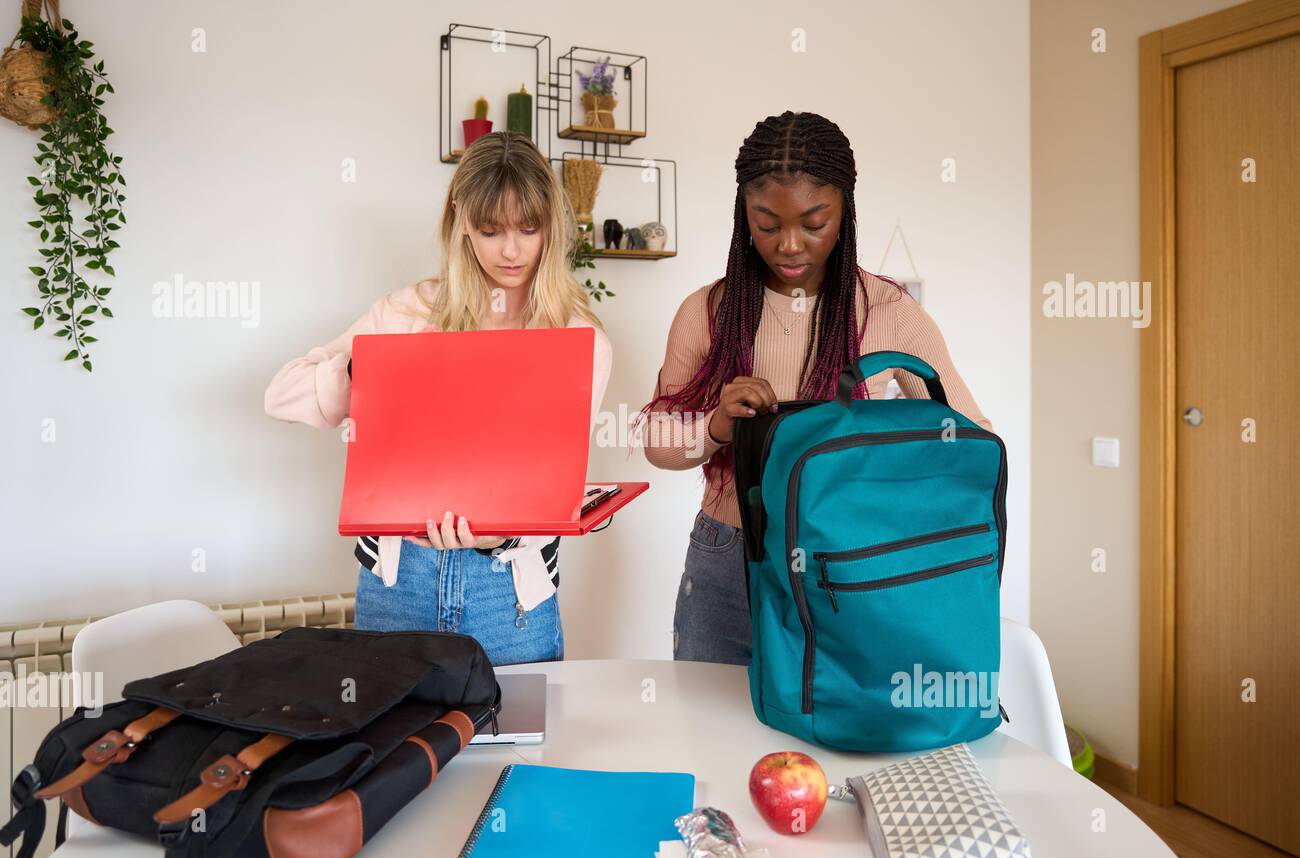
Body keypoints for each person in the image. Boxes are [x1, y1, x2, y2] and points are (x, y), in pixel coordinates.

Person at [640, 111, 991, 666]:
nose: (789, 245)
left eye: (813, 222)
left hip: (847, 558)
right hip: (728, 557)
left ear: (844, 211)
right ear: (743, 216)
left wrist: (875, 447)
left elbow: (971, 441)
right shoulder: (706, 311)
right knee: (705, 734)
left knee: (828, 731)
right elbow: (658, 443)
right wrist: (716, 426)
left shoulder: (889, 311)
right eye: (767, 224)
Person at [264, 131, 612, 665]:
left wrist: (500, 534)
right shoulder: (407, 313)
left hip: (511, 596)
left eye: (529, 228)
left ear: (552, 224)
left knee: (509, 745)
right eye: (491, 230)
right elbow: (280, 396)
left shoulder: (578, 338)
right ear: (460, 219)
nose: (512, 250)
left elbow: (554, 482)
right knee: (391, 745)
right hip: (397, 583)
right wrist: (366, 374)